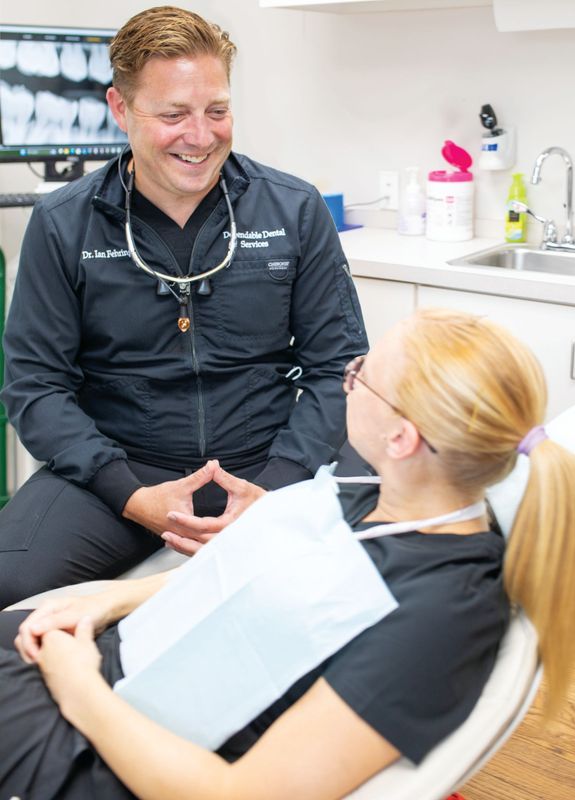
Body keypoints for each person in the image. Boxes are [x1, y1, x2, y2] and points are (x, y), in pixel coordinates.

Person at [0, 308, 575, 799]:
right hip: (112, 661)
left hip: (112, 753)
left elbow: (239, 792)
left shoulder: (442, 612)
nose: (346, 381)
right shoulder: (376, 497)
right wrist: (107, 602)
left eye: (359, 374)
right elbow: (244, 572)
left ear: (401, 438)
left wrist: (77, 686)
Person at [0, 6, 368, 607]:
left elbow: (341, 368)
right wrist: (129, 493)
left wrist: (278, 485)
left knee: (384, 576)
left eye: (216, 111)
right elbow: (35, 387)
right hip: (124, 469)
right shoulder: (64, 223)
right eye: (173, 115)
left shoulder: (293, 210)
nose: (200, 136)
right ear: (121, 108)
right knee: (8, 584)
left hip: (269, 461)